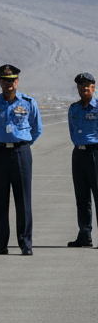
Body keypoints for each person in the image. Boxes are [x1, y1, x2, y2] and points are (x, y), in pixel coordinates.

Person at [0, 64, 42, 256]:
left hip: (21, 153)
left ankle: (25, 243)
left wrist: (21, 144)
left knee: (23, 200)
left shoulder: (28, 102)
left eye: (12, 80)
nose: (8, 83)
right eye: (4, 80)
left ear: (17, 81)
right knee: (0, 200)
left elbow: (37, 128)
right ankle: (1, 245)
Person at [67, 71, 98, 248]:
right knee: (82, 196)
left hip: (95, 152)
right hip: (79, 153)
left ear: (93, 88)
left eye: (86, 87)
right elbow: (72, 131)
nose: (83, 90)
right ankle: (85, 234)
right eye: (80, 87)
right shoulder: (74, 108)